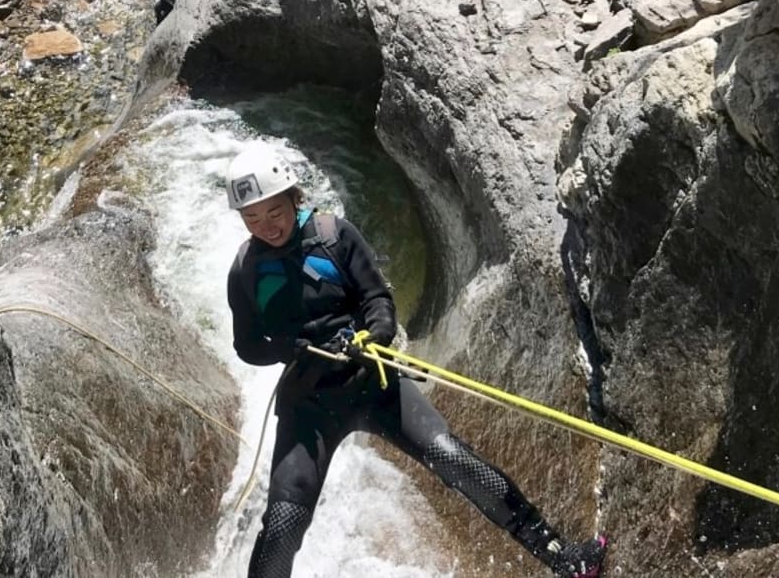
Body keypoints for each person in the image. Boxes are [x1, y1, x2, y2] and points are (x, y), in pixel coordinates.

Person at [224, 146, 608, 578]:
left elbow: (377, 300)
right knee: (283, 522)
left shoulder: (334, 236)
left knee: (453, 459)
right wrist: (287, 348)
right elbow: (247, 346)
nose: (266, 226)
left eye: (273, 212)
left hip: (371, 381)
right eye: (251, 218)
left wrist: (374, 336)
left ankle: (561, 555)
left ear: (294, 198)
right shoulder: (245, 270)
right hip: (309, 402)